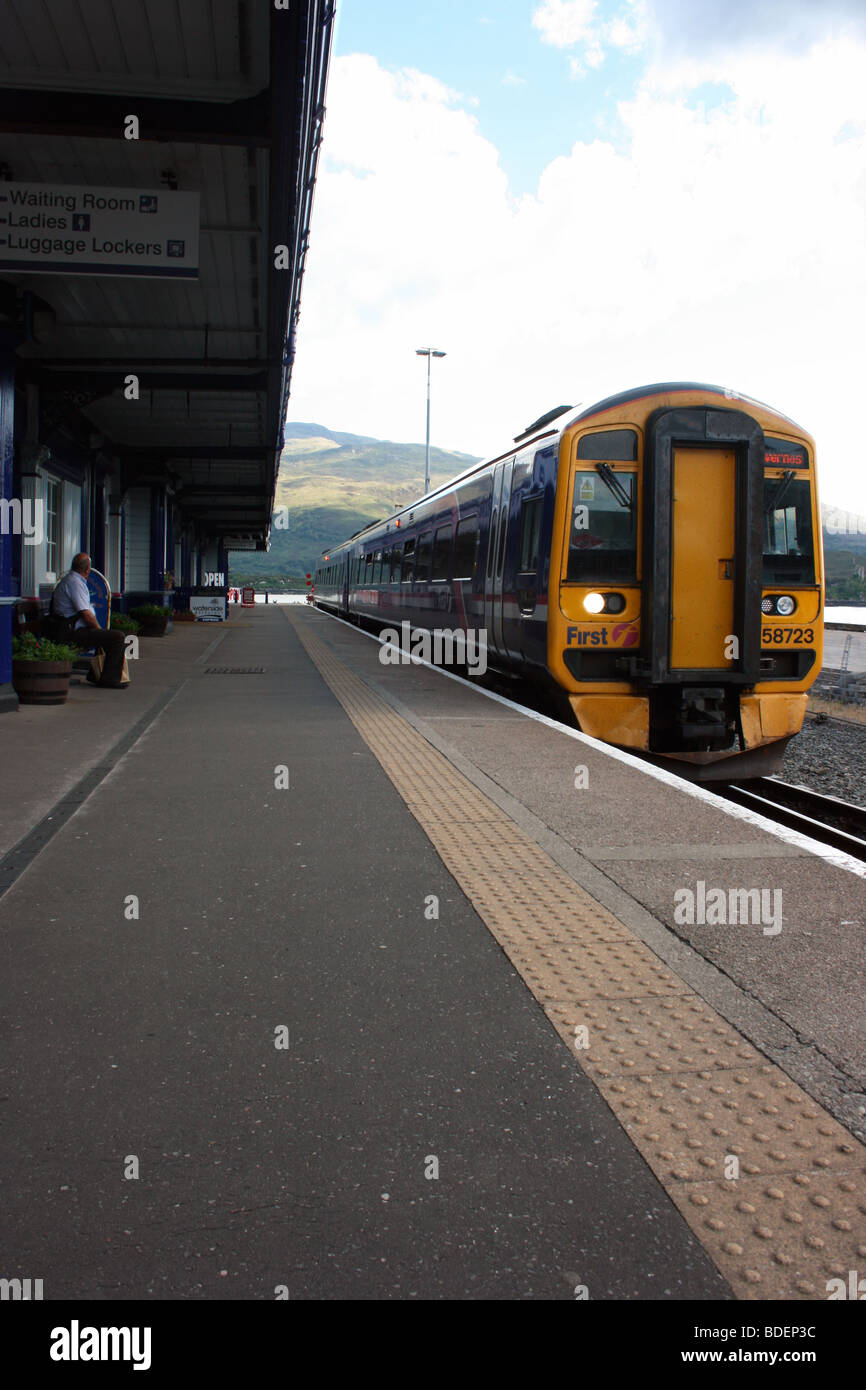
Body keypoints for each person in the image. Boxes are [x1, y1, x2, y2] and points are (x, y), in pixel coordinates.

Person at [52, 553, 128, 689]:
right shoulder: (75, 583)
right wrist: (99, 630)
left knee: (106, 636)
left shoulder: (72, 580)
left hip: (68, 628)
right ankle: (109, 679)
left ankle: (95, 674)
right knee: (117, 637)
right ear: (87, 569)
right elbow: (86, 614)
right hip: (70, 632)